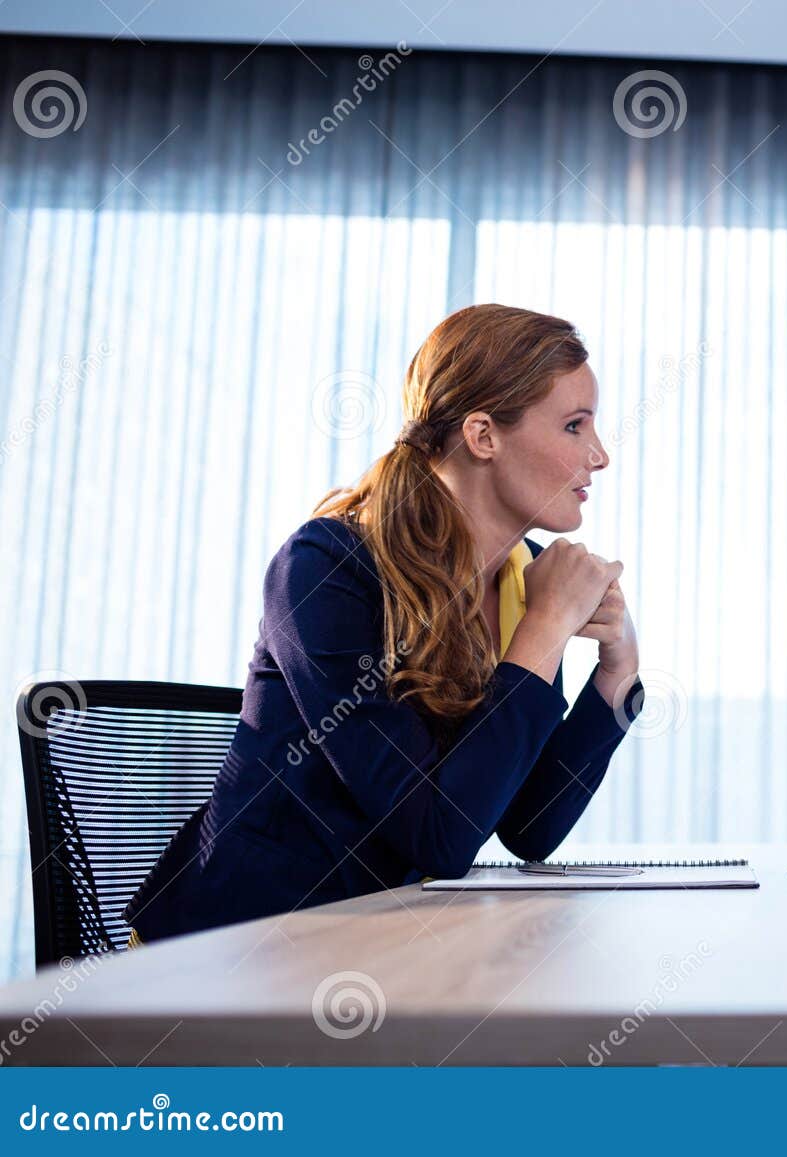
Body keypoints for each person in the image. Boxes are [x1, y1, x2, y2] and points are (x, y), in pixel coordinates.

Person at [125, 304, 643, 942]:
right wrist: (544, 628)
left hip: (378, 944)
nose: (600, 455)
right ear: (483, 436)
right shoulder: (325, 567)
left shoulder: (521, 579)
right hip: (233, 955)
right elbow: (438, 837)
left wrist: (615, 676)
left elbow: (528, 826)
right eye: (574, 426)